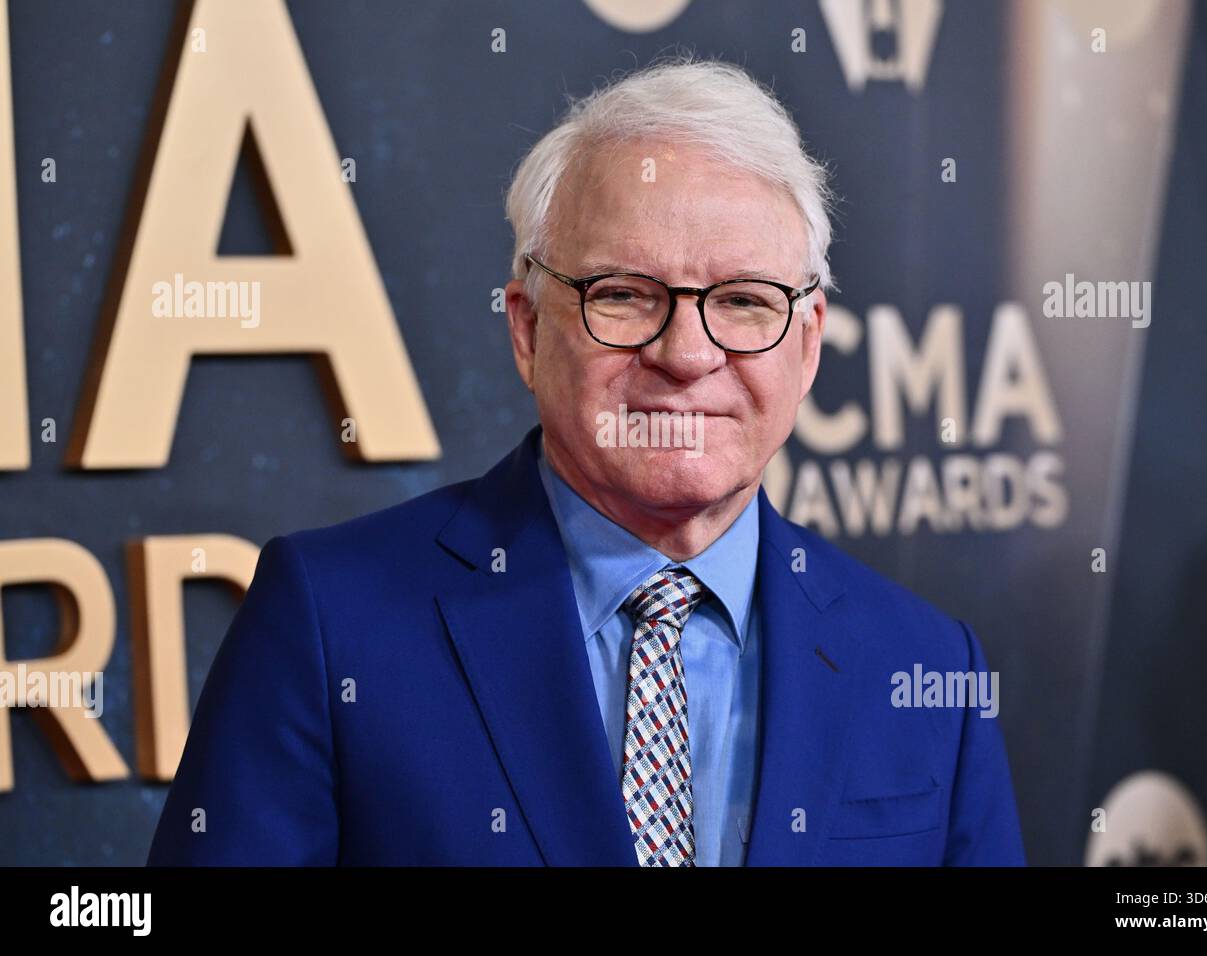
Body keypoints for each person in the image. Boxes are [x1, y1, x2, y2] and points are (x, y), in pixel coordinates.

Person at [147, 55, 1025, 866]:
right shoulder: (330, 620)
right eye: (624, 296)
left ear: (807, 345)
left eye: (745, 301)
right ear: (527, 329)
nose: (687, 354)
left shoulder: (925, 665)